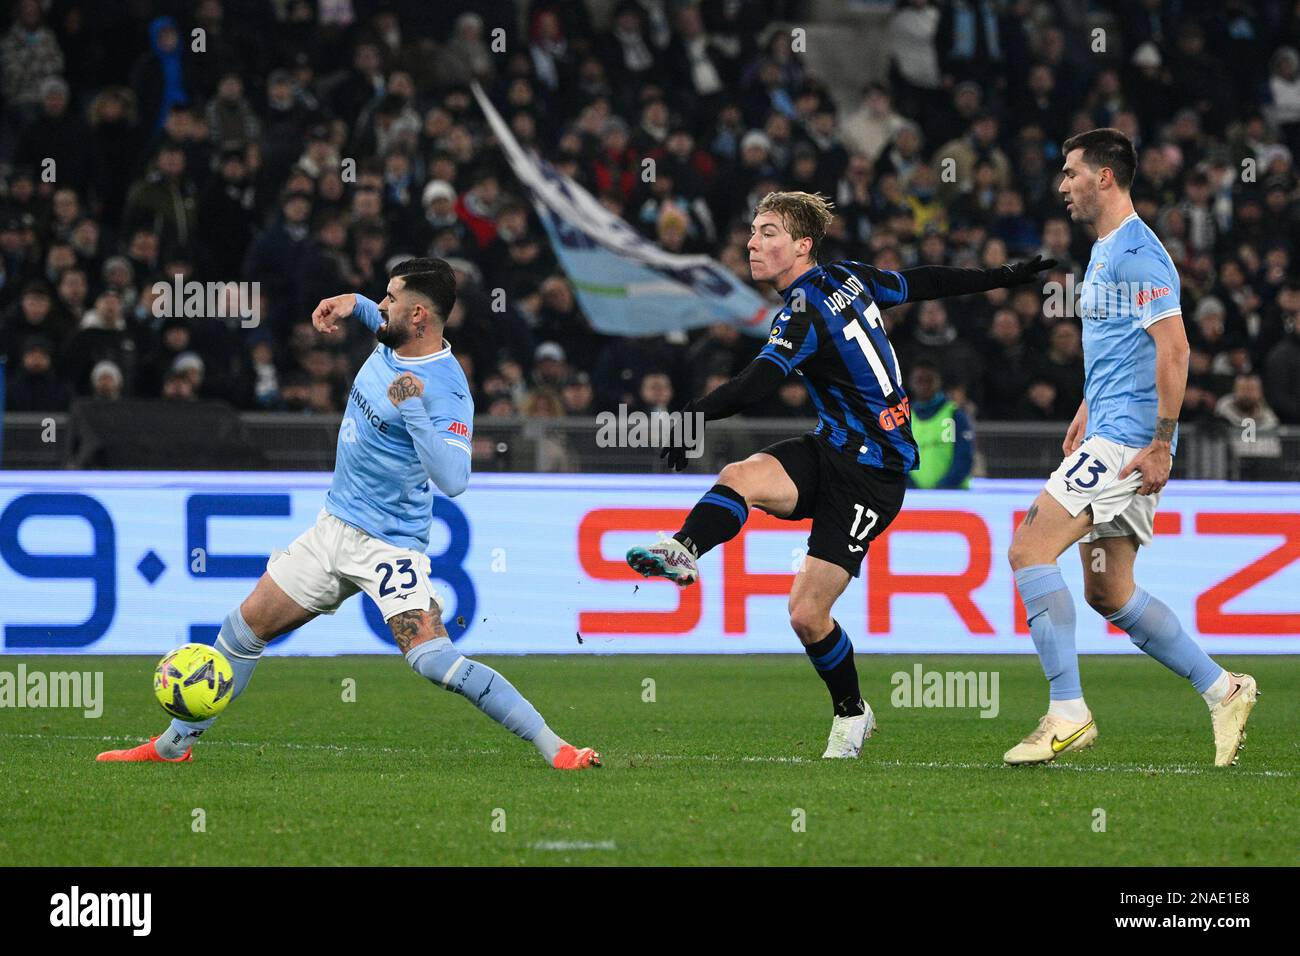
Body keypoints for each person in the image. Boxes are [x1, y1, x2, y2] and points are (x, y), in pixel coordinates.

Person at [98, 258, 600, 771]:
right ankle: (172, 747)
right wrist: (348, 303)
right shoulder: (392, 336)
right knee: (241, 631)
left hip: (388, 544)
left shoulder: (446, 389)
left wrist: (410, 408)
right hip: (332, 527)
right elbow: (372, 315)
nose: (381, 306)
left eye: (390, 299)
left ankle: (555, 747)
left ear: (420, 316)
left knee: (434, 661)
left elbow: (454, 478)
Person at [625, 190, 1053, 758]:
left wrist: (688, 418)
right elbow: (923, 280)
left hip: (873, 475)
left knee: (806, 615)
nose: (753, 243)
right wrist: (999, 275)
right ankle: (684, 549)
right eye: (753, 231)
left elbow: (757, 382)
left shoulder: (802, 311)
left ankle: (853, 713)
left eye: (769, 232)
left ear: (802, 246)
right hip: (831, 447)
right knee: (741, 474)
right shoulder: (850, 276)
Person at [1004, 129, 1257, 768]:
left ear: (1106, 178)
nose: (1062, 186)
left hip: (1127, 444)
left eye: (1071, 174)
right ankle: (1223, 688)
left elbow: (1175, 348)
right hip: (1107, 429)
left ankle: (1068, 713)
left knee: (1029, 548)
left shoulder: (1139, 254)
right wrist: (1086, 407)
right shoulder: (1105, 250)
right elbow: (1123, 347)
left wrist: (1162, 445)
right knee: (1109, 590)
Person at [906, 360, 973, 489]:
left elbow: (964, 458)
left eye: (929, 380)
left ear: (938, 382)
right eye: (920, 380)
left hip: (952, 496)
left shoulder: (955, 415)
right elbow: (899, 459)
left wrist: (941, 489)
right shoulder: (905, 418)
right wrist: (912, 487)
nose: (924, 385)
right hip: (915, 498)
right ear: (911, 383)